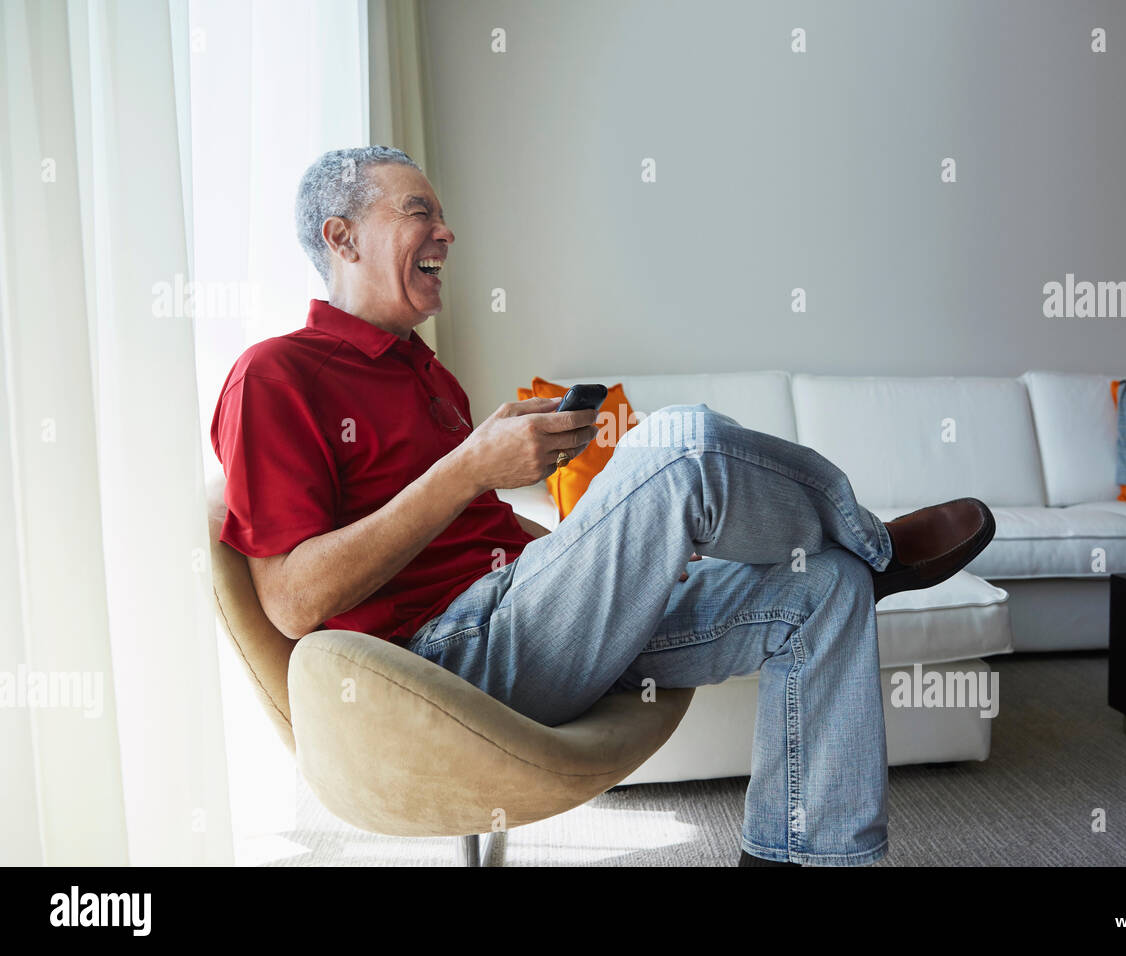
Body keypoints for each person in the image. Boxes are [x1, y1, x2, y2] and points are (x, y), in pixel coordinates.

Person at [211, 146, 995, 866]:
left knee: (825, 589)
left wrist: (624, 546)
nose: (447, 232)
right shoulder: (276, 375)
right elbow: (292, 600)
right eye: (420, 212)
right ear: (342, 238)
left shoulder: (427, 373)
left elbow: (485, 534)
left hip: (532, 614)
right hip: (445, 661)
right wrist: (466, 469)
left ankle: (795, 853)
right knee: (679, 445)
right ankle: (873, 542)